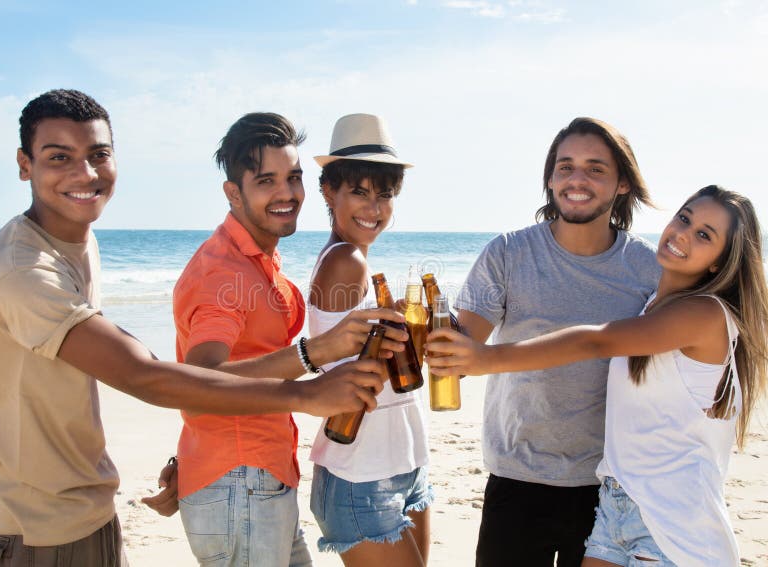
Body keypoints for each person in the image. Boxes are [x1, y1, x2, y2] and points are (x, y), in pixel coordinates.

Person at [0, 90, 391, 567]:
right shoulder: (26, 272)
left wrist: (192, 457)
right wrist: (309, 380)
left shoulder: (76, 240)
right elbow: (156, 376)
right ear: (25, 164)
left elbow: (183, 379)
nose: (85, 174)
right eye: (59, 157)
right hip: (36, 524)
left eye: (98, 154)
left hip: (94, 504)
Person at [428, 185, 768, 566]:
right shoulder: (652, 305)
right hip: (615, 508)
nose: (683, 233)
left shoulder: (705, 315)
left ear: (720, 262)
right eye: (684, 218)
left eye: (704, 235)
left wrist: (485, 360)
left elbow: (594, 341)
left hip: (674, 524)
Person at [152, 112, 409, 567]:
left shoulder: (255, 260)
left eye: (293, 177)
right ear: (233, 193)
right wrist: (315, 356)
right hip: (239, 484)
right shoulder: (223, 271)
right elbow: (196, 384)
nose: (286, 193)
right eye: (266, 180)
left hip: (256, 476)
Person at [449, 117, 661, 567]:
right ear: (550, 179)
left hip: (611, 487)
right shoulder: (507, 252)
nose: (576, 180)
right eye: (565, 167)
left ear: (622, 183)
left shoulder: (648, 271)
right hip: (517, 479)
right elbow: (461, 352)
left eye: (595, 169)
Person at [307, 114, 432, 566]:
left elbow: (353, 347)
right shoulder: (346, 261)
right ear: (328, 191)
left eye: (384, 194)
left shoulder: (352, 260)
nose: (374, 208)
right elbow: (343, 375)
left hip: (400, 463)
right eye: (358, 191)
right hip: (362, 473)